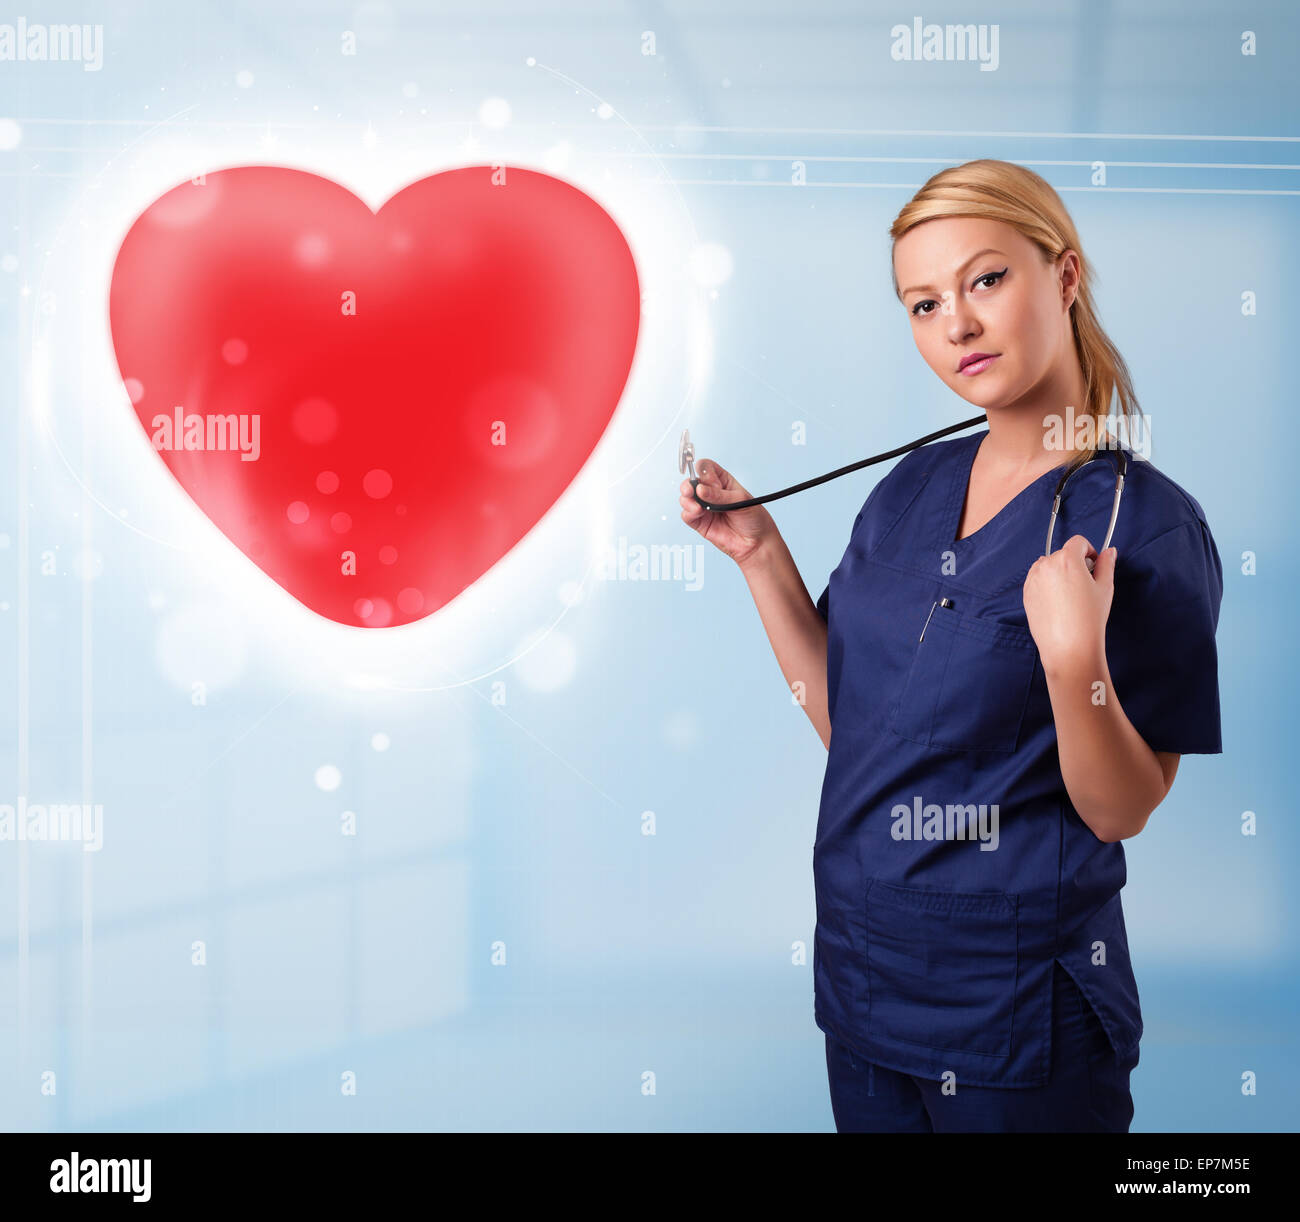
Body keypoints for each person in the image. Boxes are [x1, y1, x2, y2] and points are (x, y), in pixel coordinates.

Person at [677, 159, 1223, 1133]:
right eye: (922, 303)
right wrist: (761, 556)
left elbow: (1121, 807)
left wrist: (1073, 663)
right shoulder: (904, 491)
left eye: (984, 280)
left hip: (1017, 1017)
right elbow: (854, 730)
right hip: (864, 985)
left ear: (1062, 275)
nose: (955, 324)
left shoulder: (1146, 527)